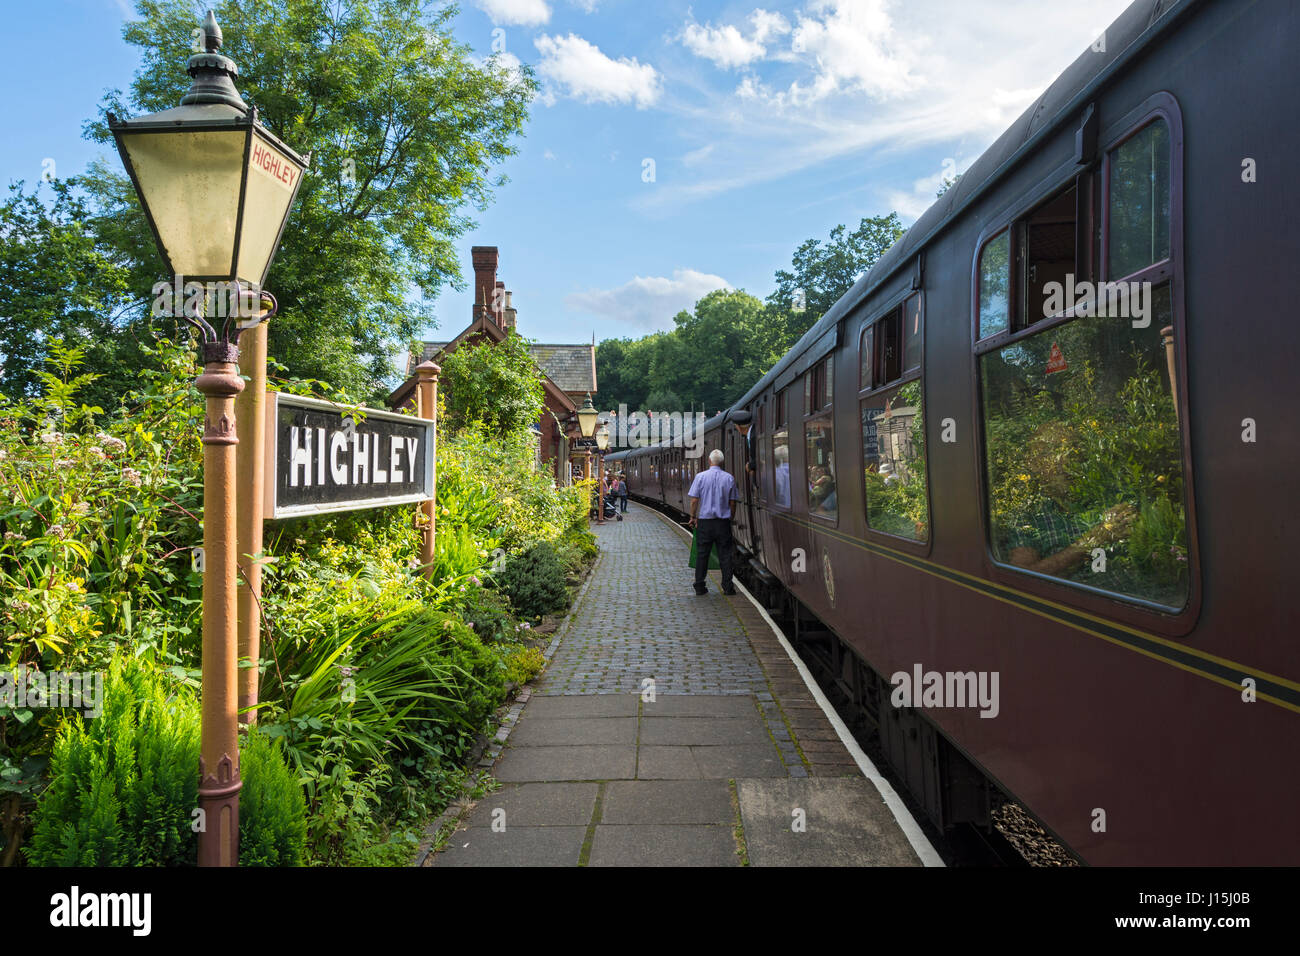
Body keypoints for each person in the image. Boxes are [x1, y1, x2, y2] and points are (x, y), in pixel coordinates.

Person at [687, 449, 739, 596]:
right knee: (725, 555)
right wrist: (731, 517)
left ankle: (699, 586)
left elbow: (694, 500)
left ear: (709, 461)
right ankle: (728, 587)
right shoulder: (729, 478)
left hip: (705, 522)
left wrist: (693, 516)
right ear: (722, 462)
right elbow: (733, 502)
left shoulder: (700, 477)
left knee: (702, 554)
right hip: (722, 522)